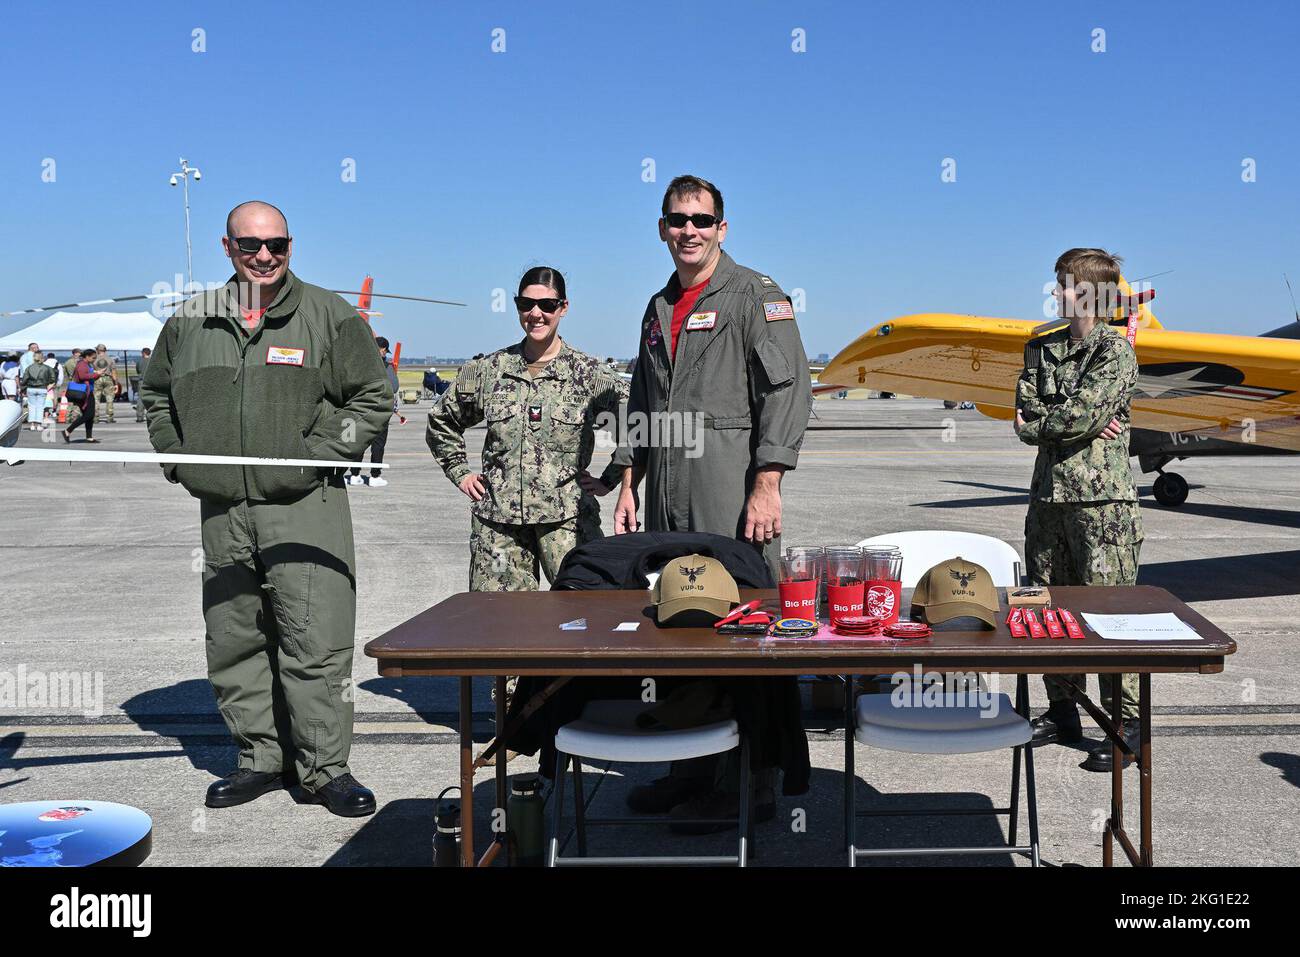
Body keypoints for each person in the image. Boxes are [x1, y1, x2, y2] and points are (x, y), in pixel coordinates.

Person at [141, 200, 393, 816]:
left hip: (305, 507)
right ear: (227, 248)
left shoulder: (328, 316)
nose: (265, 256)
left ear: (291, 246)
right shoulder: (190, 322)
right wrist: (182, 460)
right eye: (251, 245)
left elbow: (373, 398)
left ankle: (324, 768)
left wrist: (316, 457)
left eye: (277, 245)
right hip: (223, 509)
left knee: (315, 641)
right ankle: (259, 759)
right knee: (233, 639)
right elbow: (154, 396)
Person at [610, 174, 813, 826]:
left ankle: (748, 783)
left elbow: (789, 389)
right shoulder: (657, 307)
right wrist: (626, 482)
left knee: (741, 629)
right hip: (667, 493)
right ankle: (690, 767)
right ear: (663, 229)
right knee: (678, 623)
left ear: (721, 228)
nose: (689, 231)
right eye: (677, 220)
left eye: (701, 220)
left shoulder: (754, 294)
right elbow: (642, 400)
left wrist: (768, 481)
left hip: (730, 488)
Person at [1015, 247, 1143, 772]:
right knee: (1049, 608)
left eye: (1064, 284)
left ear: (1091, 293)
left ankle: (1125, 725)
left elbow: (1075, 416)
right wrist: (1058, 422)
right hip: (1048, 500)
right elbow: (1028, 412)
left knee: (1110, 614)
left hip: (1101, 506)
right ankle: (1061, 709)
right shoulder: (1040, 349)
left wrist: (1052, 422)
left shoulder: (1115, 352)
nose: (1056, 292)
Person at [427, 265, 628, 592]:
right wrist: (459, 472)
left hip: (567, 522)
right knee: (499, 626)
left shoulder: (589, 373)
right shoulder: (488, 370)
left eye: (547, 305)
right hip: (498, 527)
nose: (536, 314)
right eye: (526, 304)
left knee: (585, 616)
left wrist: (610, 479)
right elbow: (442, 419)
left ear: (563, 308)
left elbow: (638, 421)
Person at [348, 337, 399, 488]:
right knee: (378, 443)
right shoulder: (386, 365)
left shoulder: (360, 362)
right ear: (382, 350)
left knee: (359, 442)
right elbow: (394, 386)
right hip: (380, 410)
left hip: (361, 409)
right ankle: (375, 476)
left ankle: (354, 474)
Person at [63, 349, 99, 442]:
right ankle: (68, 430)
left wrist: (99, 374)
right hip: (84, 393)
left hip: (87, 391)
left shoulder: (87, 364)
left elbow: (90, 378)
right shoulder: (82, 364)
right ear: (87, 356)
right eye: (93, 357)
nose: (94, 359)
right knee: (89, 415)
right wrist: (96, 374)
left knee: (89, 415)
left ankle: (89, 437)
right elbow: (83, 376)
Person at [19, 351, 54, 429]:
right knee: (40, 407)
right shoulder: (47, 368)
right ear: (42, 357)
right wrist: (48, 386)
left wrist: (22, 389)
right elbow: (53, 379)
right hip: (42, 388)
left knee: (31, 407)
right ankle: (38, 425)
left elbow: (24, 380)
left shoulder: (29, 367)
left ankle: (32, 425)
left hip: (31, 388)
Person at [92, 344, 118, 423]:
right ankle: (109, 418)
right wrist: (116, 384)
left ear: (97, 350)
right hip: (108, 379)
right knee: (109, 399)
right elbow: (114, 373)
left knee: (96, 399)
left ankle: (95, 418)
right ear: (105, 350)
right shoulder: (110, 359)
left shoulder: (93, 359)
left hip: (97, 379)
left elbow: (90, 370)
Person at [134, 347, 151, 422]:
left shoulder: (139, 361)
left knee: (140, 399)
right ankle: (151, 416)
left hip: (141, 381)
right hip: (150, 382)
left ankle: (139, 417)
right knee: (151, 398)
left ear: (143, 353)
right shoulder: (152, 361)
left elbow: (137, 370)